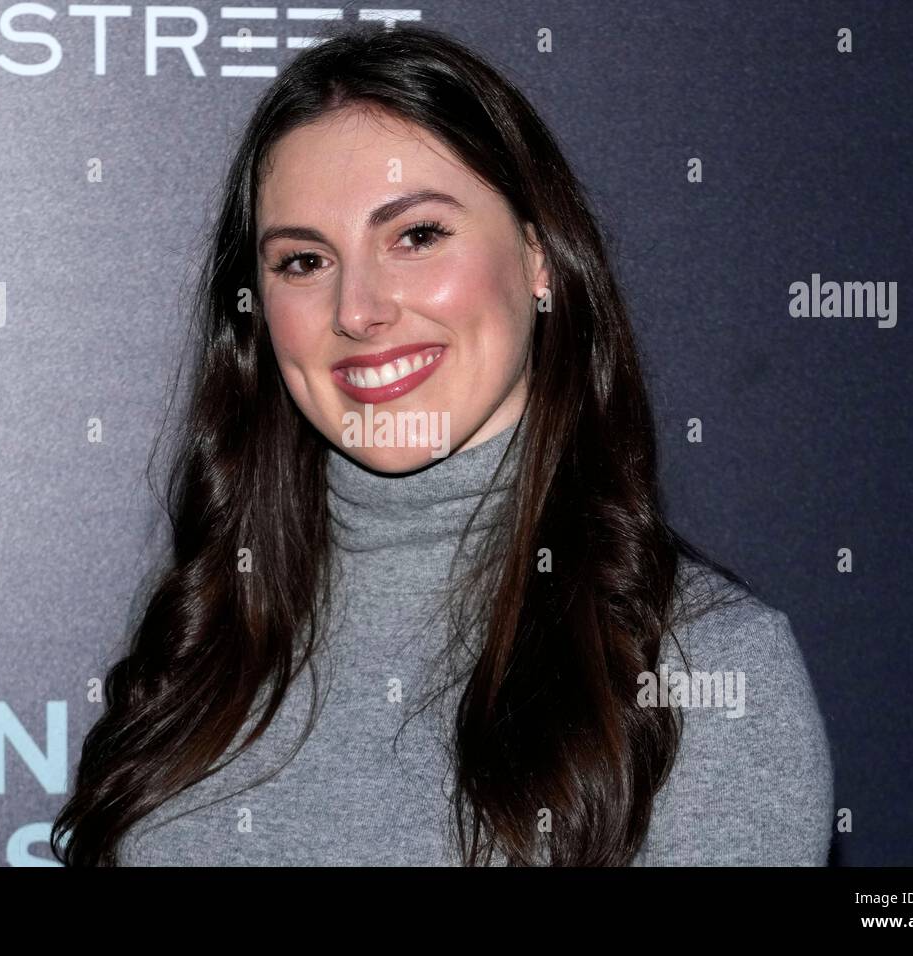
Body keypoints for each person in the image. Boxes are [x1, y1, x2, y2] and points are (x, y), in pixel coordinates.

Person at [51, 22, 834, 866]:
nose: (358, 309)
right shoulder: (207, 629)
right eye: (304, 262)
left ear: (539, 257)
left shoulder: (712, 670)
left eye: (417, 236)